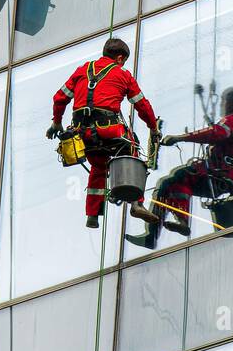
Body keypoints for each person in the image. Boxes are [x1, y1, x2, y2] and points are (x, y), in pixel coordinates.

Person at [49, 37, 162, 229]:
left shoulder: (82, 70)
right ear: (119, 59)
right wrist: (153, 127)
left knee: (99, 166)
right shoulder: (123, 74)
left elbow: (60, 98)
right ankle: (137, 203)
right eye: (124, 60)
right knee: (131, 146)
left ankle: (92, 215)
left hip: (81, 135)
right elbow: (142, 105)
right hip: (109, 130)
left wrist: (56, 123)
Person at [127, 86, 233, 250]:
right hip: (223, 176)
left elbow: (217, 133)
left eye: (224, 100)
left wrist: (180, 138)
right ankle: (167, 228)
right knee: (172, 184)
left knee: (177, 178)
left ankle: (166, 228)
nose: (221, 103)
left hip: (221, 174)